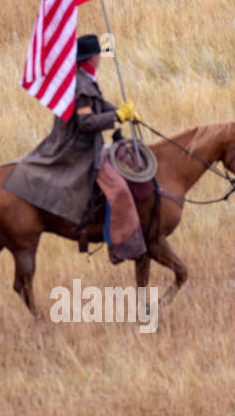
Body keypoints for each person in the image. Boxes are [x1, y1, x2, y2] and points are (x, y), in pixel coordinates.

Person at [12, 35, 142, 257]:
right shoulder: (81, 86)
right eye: (99, 54)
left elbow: (98, 106)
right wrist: (117, 116)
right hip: (79, 149)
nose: (100, 57)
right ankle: (118, 245)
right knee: (119, 189)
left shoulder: (84, 78)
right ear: (93, 57)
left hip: (88, 144)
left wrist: (121, 111)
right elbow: (86, 123)